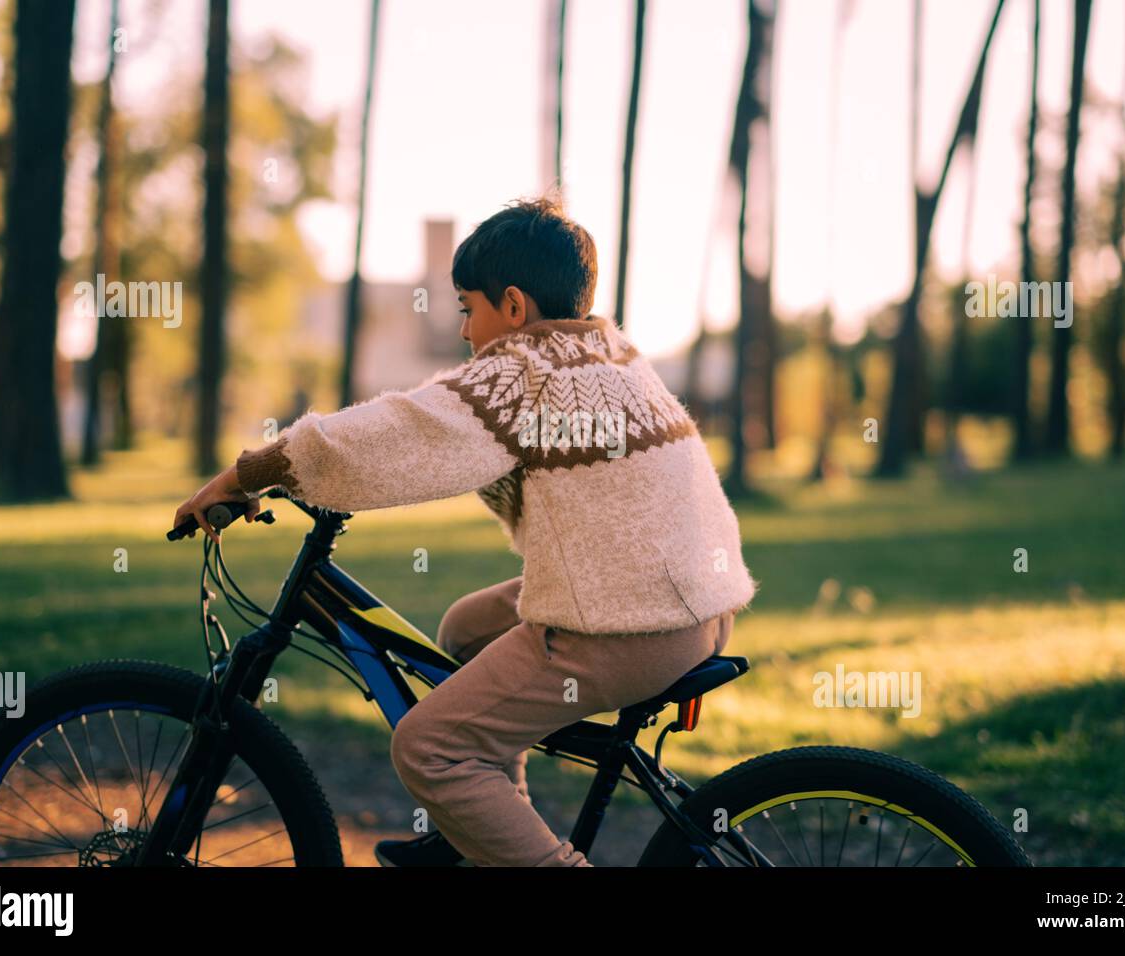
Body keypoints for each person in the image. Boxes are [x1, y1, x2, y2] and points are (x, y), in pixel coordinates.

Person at [172, 195, 758, 866]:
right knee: (463, 632)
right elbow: (453, 431)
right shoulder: (611, 353)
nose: (462, 333)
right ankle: (468, 835)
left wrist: (249, 474)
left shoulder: (526, 371)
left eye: (466, 309)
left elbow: (402, 430)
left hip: (628, 626)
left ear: (513, 307)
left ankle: (496, 818)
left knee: (430, 745)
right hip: (692, 607)